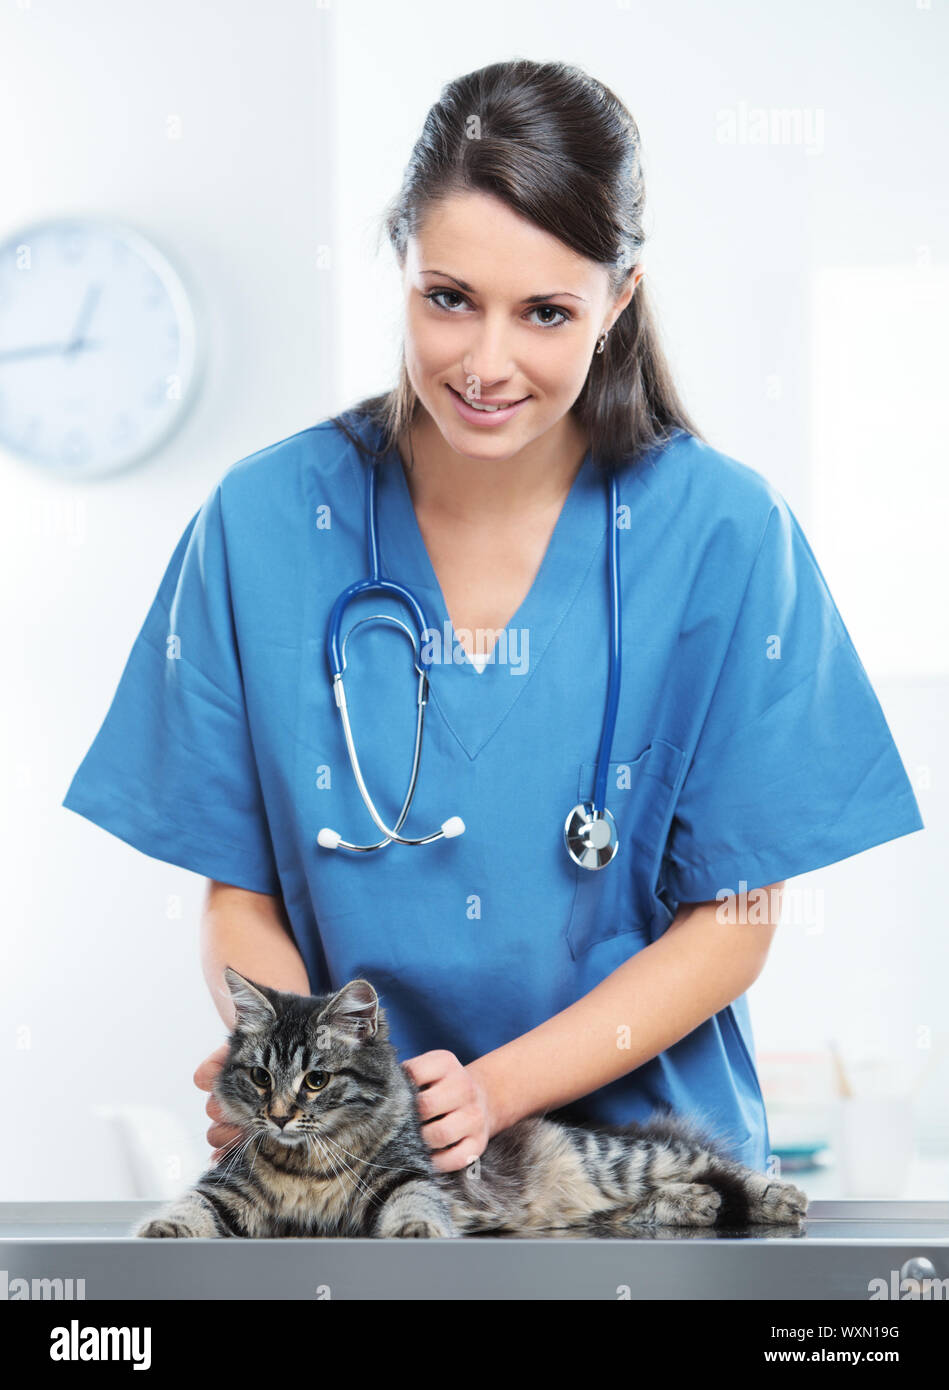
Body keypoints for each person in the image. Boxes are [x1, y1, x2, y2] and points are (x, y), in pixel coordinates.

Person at [62, 59, 923, 1179]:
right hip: (361, 1196)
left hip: (639, 1185)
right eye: (449, 298)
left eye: (546, 313)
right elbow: (240, 892)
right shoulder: (262, 522)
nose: (484, 363)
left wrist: (487, 1095)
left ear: (618, 304)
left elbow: (738, 917)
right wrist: (281, 1062)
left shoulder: (723, 532)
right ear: (402, 268)